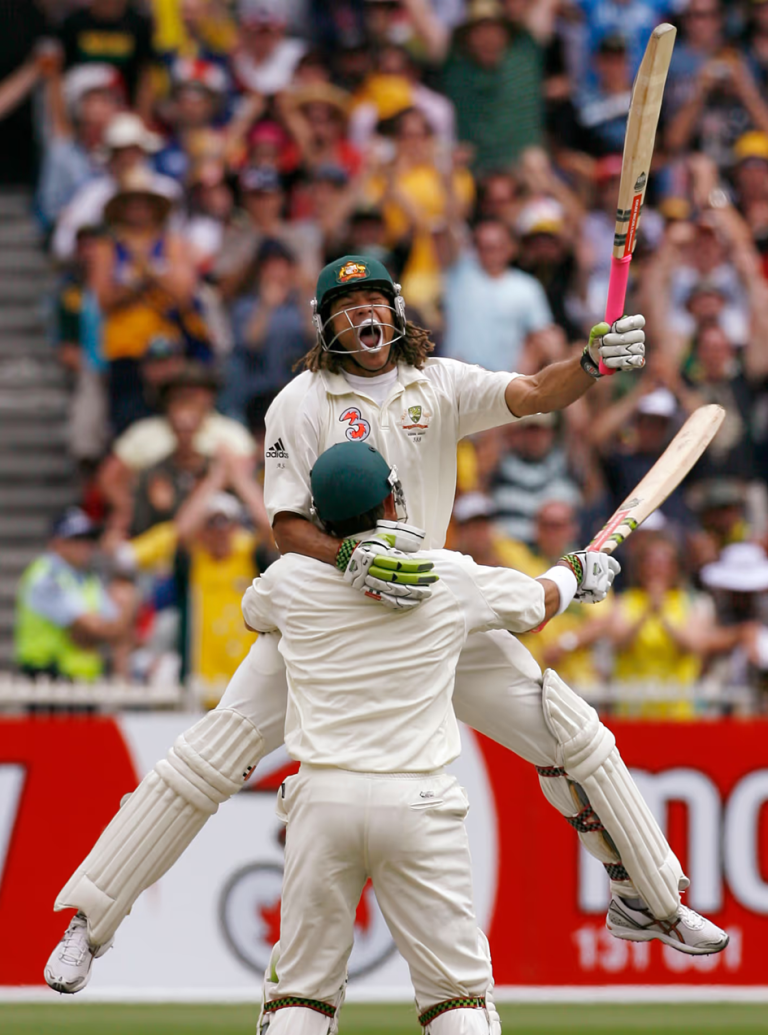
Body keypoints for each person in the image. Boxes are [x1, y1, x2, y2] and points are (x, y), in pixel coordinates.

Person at [45, 255, 725, 997]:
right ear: (326, 325)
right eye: (347, 306)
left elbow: (535, 392)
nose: (363, 314)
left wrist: (590, 364)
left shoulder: (439, 384)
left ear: (396, 309)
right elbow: (284, 524)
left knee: (570, 731)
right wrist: (349, 558)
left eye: (374, 299)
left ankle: (651, 898)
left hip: (432, 607)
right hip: (331, 614)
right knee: (204, 763)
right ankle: (89, 920)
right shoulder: (300, 402)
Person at [244, 441, 617, 1034]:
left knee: (301, 995)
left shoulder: (287, 580)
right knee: (456, 998)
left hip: (322, 801)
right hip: (417, 801)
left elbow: (253, 611)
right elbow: (535, 604)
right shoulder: (446, 572)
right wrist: (576, 574)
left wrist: (335, 574)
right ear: (391, 501)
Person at [14, 508, 135, 682]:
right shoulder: (46, 576)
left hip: (82, 682)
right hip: (47, 680)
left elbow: (113, 631)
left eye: (89, 538)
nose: (86, 546)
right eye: (77, 539)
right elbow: (90, 629)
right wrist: (103, 631)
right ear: (57, 542)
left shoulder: (87, 578)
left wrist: (99, 633)